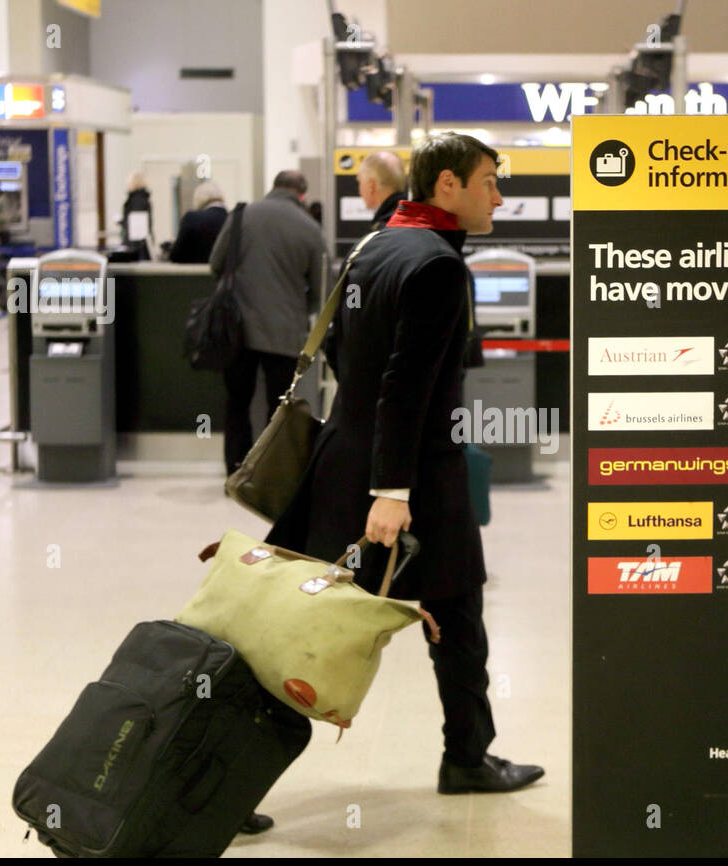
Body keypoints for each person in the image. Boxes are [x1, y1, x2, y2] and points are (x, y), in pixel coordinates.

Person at [265, 133, 544, 806]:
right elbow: (407, 384)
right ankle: (468, 757)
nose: (497, 196)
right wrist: (391, 491)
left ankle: (469, 755)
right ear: (447, 185)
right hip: (409, 478)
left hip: (343, 457)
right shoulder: (440, 268)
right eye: (487, 183)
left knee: (307, 622)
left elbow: (336, 347)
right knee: (447, 613)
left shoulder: (376, 244)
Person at [209, 170, 325, 479]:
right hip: (286, 332)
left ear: (273, 187)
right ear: (301, 194)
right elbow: (320, 289)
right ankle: (272, 473)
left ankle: (236, 468)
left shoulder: (241, 215)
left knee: (237, 402)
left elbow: (215, 264)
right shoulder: (311, 229)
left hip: (238, 330)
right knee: (279, 408)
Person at [169, 180, 227, 264]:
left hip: (196, 275)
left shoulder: (192, 218)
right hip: (225, 276)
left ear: (199, 199)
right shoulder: (233, 219)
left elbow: (176, 256)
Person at [357, 150, 406, 230]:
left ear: (371, 186)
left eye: (360, 182)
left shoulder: (382, 231)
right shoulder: (413, 219)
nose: (359, 192)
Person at [121, 171, 153, 259]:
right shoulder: (143, 199)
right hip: (140, 244)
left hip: (135, 247)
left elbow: (137, 227)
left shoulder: (136, 200)